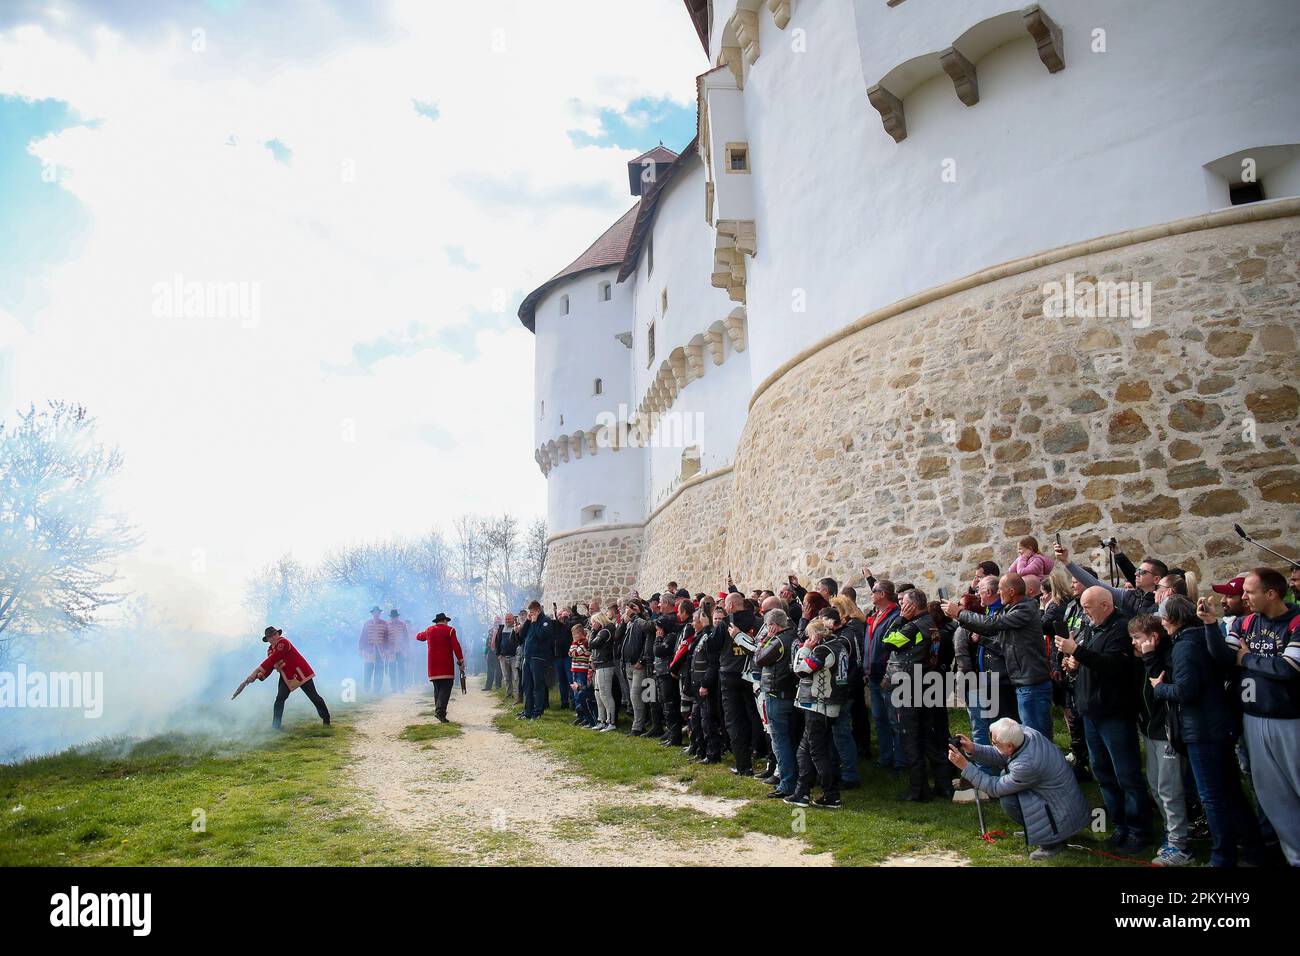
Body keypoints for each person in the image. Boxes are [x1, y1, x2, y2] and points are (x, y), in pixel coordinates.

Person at [1143, 597, 1266, 867]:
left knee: (1212, 796)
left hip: (1203, 729)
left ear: (1174, 619)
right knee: (1230, 791)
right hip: (1216, 725)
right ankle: (1254, 850)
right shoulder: (1200, 637)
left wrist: (1158, 688)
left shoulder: (1185, 646)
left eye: (1164, 617)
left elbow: (1187, 691)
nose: (1161, 622)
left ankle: (1223, 856)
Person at [1208, 567, 1300, 865]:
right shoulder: (1245, 622)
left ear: (1271, 594)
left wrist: (1247, 658)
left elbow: (1288, 668)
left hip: (1291, 719)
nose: (1243, 596)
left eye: (1249, 591)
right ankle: (1294, 855)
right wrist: (1210, 626)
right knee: (1272, 793)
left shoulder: (1297, 621)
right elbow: (1224, 657)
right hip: (1252, 716)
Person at [1055, 586, 1151, 852]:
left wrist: (1079, 652)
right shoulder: (1091, 627)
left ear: (1105, 605)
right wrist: (1074, 662)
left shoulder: (1120, 629)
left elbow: (1113, 665)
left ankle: (1139, 830)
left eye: (1087, 607)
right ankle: (1120, 825)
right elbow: (1091, 660)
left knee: (1127, 774)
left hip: (1115, 713)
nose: (1083, 612)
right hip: (1091, 712)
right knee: (1103, 773)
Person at [948, 718, 1090, 861]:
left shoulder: (1027, 764)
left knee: (1008, 799)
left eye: (995, 742)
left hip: (1063, 815)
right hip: (1065, 804)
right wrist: (973, 748)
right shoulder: (1023, 733)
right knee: (1005, 777)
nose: (993, 744)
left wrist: (965, 767)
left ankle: (1051, 843)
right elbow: (1002, 753)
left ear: (1010, 746)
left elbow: (994, 788)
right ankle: (1035, 829)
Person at [943, 572, 1051, 738]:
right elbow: (998, 638)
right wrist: (980, 637)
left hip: (1031, 682)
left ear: (1012, 591)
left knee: (1036, 736)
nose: (998, 593)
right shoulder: (1015, 609)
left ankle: (1044, 764)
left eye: (1001, 589)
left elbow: (994, 624)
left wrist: (960, 613)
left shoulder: (1024, 610)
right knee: (1026, 734)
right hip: (1023, 681)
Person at [1127, 614, 1193, 866]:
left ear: (1154, 637)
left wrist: (1150, 657)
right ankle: (1170, 835)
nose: (1133, 643)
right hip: (1149, 729)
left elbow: (1162, 690)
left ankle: (1180, 845)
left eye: (1137, 638)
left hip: (1166, 732)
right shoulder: (1141, 659)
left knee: (1169, 789)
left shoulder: (1164, 658)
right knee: (1156, 786)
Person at [884, 589, 952, 802]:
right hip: (926, 684)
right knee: (929, 737)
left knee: (911, 738)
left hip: (911, 687)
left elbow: (887, 641)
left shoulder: (913, 626)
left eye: (904, 603)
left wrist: (901, 618)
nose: (901, 606)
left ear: (912, 606)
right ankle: (943, 785)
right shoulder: (931, 624)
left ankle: (918, 790)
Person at [786, 618, 851, 808]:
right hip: (826, 705)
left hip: (820, 706)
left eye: (808, 635)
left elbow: (800, 669)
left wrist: (805, 649)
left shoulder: (824, 650)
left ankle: (831, 795)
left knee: (817, 752)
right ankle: (802, 792)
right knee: (805, 750)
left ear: (815, 635)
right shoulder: (838, 644)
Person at [232, 626, 331, 730]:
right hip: (286, 676)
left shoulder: (283, 643)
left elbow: (273, 659)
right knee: (280, 699)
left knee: (314, 696)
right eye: (270, 637)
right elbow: (271, 664)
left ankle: (326, 719)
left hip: (301, 673)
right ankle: (276, 727)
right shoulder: (270, 650)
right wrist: (261, 675)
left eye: (274, 635)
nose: (273, 638)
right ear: (268, 639)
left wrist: (255, 672)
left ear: (277, 634)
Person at [754, 607, 799, 798]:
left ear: (773, 626)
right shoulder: (795, 637)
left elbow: (759, 658)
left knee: (780, 741)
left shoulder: (778, 641)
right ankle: (795, 779)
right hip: (792, 693)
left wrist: (764, 641)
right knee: (792, 740)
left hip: (777, 695)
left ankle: (787, 783)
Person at [720, 591, 765, 776]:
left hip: (731, 675)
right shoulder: (759, 623)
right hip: (752, 676)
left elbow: (713, 646)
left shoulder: (725, 623)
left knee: (735, 721)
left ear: (730, 606)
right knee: (757, 717)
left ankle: (743, 764)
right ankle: (761, 754)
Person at [865, 579, 903, 774]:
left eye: (874, 591)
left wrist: (886, 673)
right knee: (879, 718)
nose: (871, 594)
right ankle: (885, 756)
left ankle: (900, 760)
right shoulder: (875, 615)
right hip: (873, 675)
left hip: (887, 676)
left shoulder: (895, 617)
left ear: (882, 594)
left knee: (894, 719)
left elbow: (892, 649)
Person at [416, 613, 465, 722]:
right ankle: (440, 712)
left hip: (433, 666)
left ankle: (440, 713)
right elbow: (456, 646)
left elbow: (419, 637)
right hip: (446, 665)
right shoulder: (450, 630)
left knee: (437, 689)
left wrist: (418, 633)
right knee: (446, 688)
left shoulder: (429, 630)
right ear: (444, 620)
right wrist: (461, 660)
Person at [520, 601, 557, 720]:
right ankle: (527, 711)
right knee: (527, 685)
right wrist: (527, 621)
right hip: (528, 657)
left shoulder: (545, 621)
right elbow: (522, 635)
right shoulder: (530, 621)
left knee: (538, 686)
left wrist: (535, 623)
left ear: (538, 610)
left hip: (539, 658)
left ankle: (538, 712)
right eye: (529, 612)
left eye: (532, 612)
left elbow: (541, 636)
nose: (530, 615)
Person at [587, 612, 618, 731]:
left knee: (605, 694)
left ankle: (611, 722)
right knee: (598, 693)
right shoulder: (603, 631)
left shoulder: (605, 632)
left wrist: (593, 632)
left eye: (594, 621)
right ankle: (601, 720)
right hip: (599, 665)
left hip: (605, 665)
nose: (592, 624)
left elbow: (592, 644)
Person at [358, 606, 390, 695]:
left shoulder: (384, 623)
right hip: (369, 650)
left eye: (378, 612)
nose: (376, 614)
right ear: (372, 613)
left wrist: (387, 650)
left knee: (379, 669)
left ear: (379, 613)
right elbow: (363, 636)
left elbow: (387, 638)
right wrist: (361, 649)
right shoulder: (367, 623)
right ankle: (367, 689)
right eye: (375, 612)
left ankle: (377, 690)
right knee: (368, 669)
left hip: (381, 650)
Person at [495, 613, 520, 697]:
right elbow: (497, 642)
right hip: (503, 657)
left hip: (514, 657)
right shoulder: (501, 628)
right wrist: (498, 654)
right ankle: (509, 694)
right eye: (506, 619)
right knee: (506, 677)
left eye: (509, 619)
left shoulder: (516, 628)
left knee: (516, 677)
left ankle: (517, 695)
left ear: (513, 619)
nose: (507, 621)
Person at [389, 609, 412, 691]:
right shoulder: (388, 625)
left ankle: (401, 687)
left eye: (395, 617)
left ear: (397, 617)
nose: (394, 618)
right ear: (391, 617)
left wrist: (407, 649)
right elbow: (386, 638)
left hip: (401, 650)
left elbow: (406, 638)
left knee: (401, 669)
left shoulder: (402, 625)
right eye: (393, 617)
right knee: (392, 670)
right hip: (391, 651)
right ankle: (393, 687)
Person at [483, 616, 501, 691]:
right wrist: (485, 652)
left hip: (498, 652)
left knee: (498, 670)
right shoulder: (490, 631)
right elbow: (487, 642)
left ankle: (498, 686)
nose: (496, 623)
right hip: (491, 651)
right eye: (495, 622)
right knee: (490, 670)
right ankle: (488, 686)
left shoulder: (502, 630)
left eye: (498, 622)